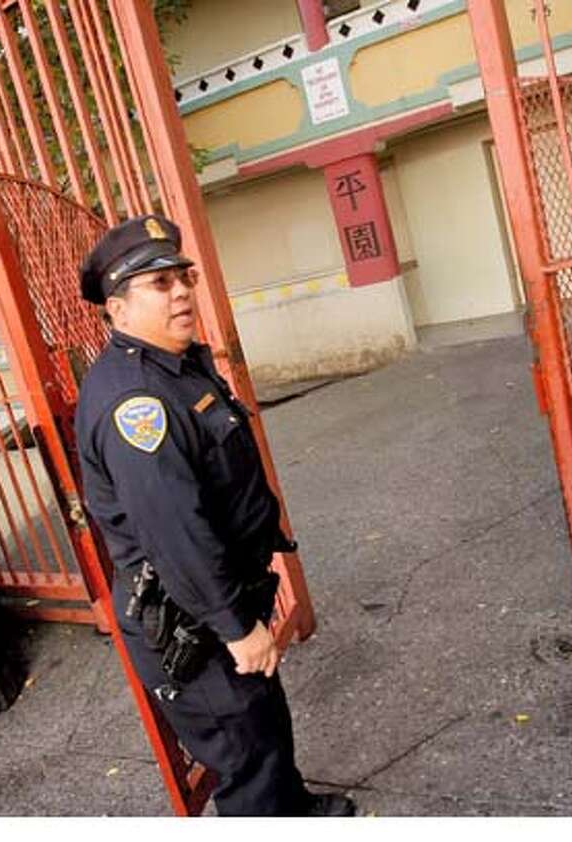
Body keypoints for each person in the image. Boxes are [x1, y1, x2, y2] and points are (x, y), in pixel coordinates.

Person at [74, 214, 356, 817]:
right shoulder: (136, 402)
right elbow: (176, 534)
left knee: (263, 727)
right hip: (193, 620)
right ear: (117, 310)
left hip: (216, 598)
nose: (180, 292)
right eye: (158, 284)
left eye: (182, 277)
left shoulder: (173, 366)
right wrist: (235, 626)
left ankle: (296, 811)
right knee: (244, 757)